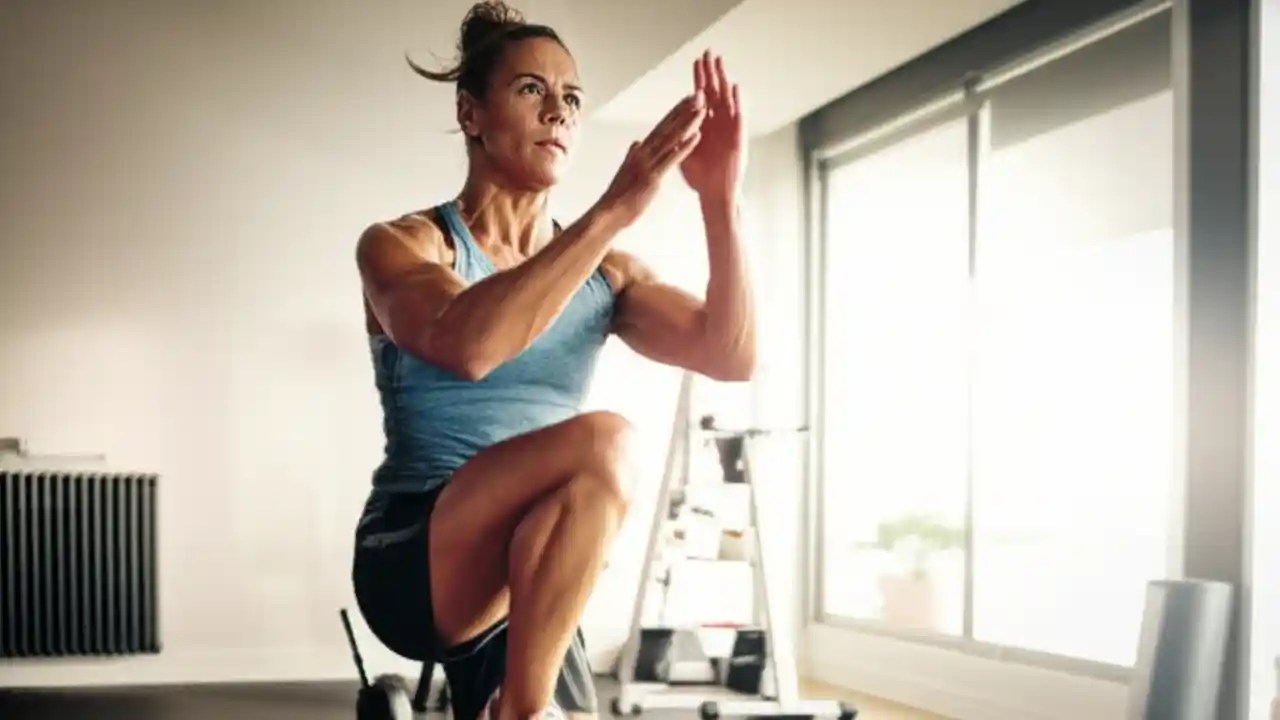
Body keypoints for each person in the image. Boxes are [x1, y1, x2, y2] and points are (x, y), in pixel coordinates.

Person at [350, 2, 755, 719]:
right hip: (416, 559)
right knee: (606, 442)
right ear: (471, 112)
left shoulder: (609, 276)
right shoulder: (405, 245)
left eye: (570, 98)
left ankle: (522, 706)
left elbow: (730, 354)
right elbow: (469, 346)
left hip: (530, 568)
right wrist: (612, 211)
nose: (557, 111)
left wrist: (721, 201)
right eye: (532, 89)